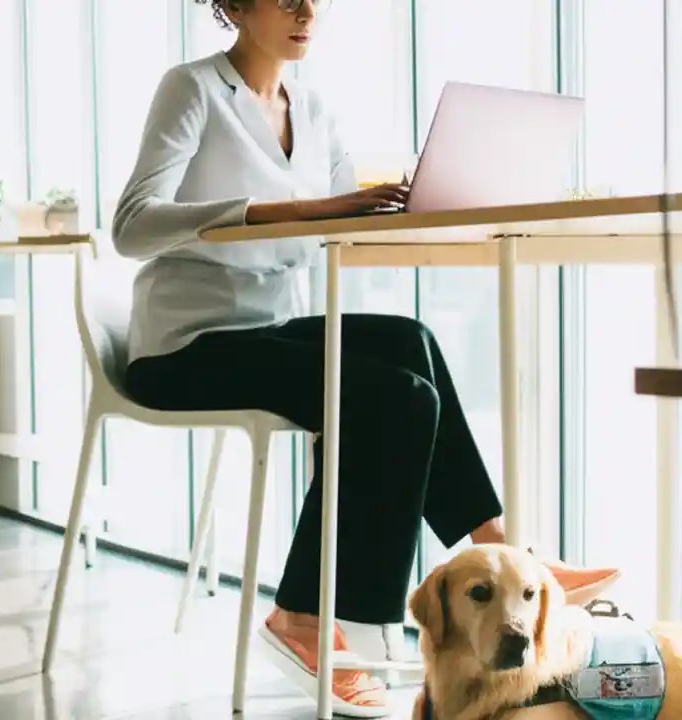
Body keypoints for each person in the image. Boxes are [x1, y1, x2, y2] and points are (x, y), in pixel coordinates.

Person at [114, 0, 621, 714]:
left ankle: (503, 546)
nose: (306, 9)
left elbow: (344, 212)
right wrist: (284, 211)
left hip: (273, 328)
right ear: (230, 4)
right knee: (397, 397)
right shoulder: (193, 88)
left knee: (409, 338)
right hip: (185, 347)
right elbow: (132, 225)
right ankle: (314, 617)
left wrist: (411, 204)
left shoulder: (313, 107)